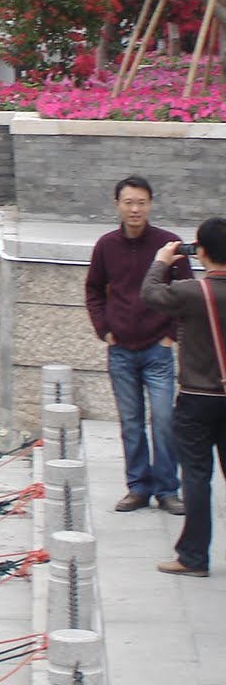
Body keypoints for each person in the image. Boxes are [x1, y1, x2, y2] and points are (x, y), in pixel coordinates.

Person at [86, 175, 191, 513]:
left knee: (162, 419)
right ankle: (137, 488)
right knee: (130, 422)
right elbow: (94, 290)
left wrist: (169, 335)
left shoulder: (168, 245)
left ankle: (167, 489)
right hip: (120, 350)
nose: (135, 209)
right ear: (117, 204)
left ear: (150, 204)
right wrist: (105, 330)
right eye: (128, 202)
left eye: (141, 202)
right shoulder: (106, 245)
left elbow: (186, 293)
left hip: (156, 349)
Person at [142, 219, 226, 577]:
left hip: (196, 398)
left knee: (196, 477)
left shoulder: (192, 292)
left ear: (201, 250)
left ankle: (193, 557)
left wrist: (163, 259)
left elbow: (150, 293)